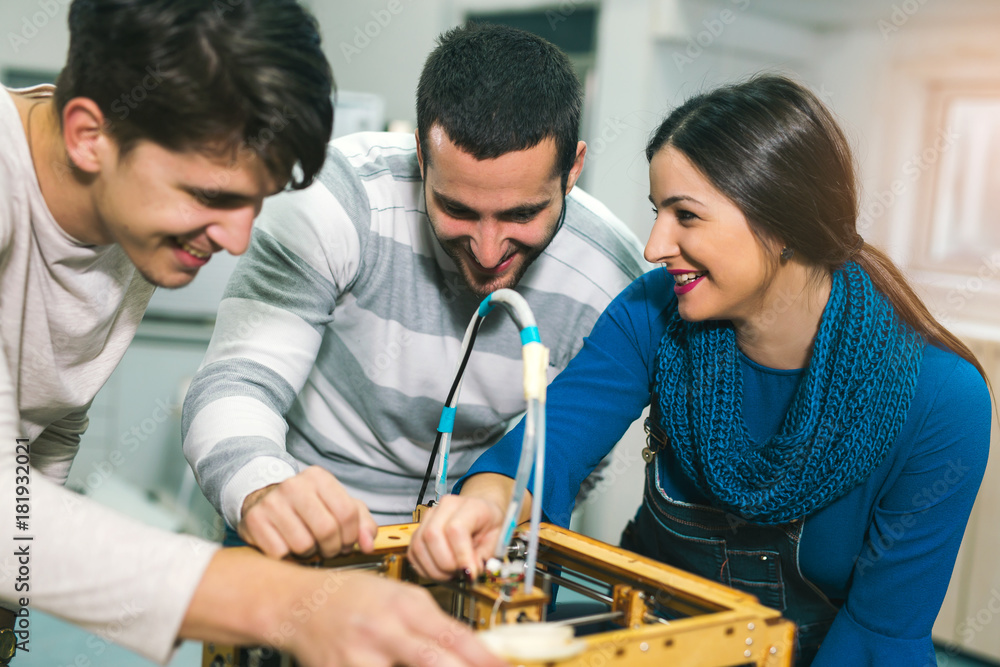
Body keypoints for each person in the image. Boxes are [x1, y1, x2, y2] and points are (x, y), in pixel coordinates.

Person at [407, 74, 993, 666]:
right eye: (657, 212)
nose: (655, 245)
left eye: (685, 216)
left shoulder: (942, 401)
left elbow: (879, 636)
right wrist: (486, 503)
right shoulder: (651, 312)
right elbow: (548, 446)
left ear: (783, 219)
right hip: (645, 642)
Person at [0, 1, 502, 666]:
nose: (238, 239)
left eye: (254, 200)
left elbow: (45, 423)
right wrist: (276, 599)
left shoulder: (131, 202)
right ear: (88, 134)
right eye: (213, 197)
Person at [181, 22, 649, 560]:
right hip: (305, 511)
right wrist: (264, 489)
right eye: (458, 210)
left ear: (572, 171)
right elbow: (235, 380)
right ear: (421, 161)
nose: (489, 249)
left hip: (473, 542)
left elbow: (575, 449)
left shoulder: (614, 275)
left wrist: (496, 519)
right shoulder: (332, 199)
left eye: (521, 214)